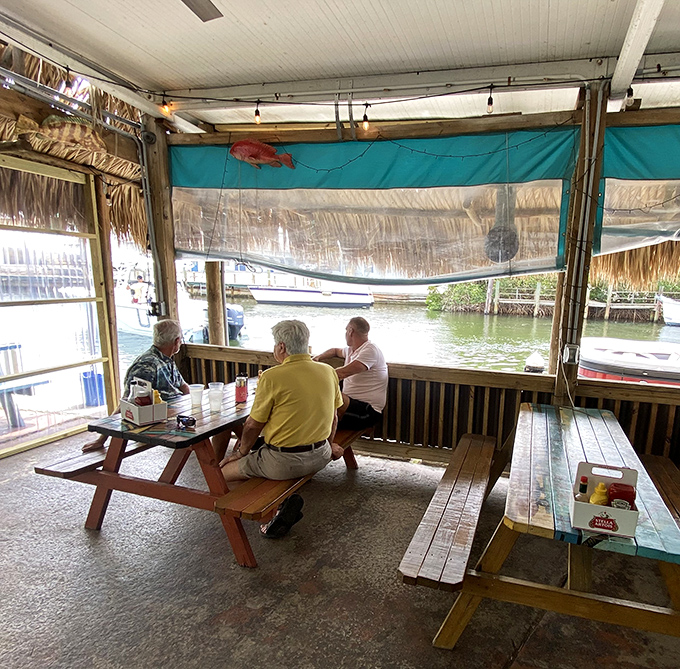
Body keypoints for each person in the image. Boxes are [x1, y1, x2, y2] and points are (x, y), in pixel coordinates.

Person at [220, 319, 342, 538]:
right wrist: (329, 445)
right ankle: (281, 503)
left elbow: (252, 425)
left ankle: (272, 513)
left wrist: (239, 453)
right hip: (321, 455)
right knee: (257, 464)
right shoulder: (328, 371)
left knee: (220, 475)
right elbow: (333, 418)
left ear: (282, 347)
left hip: (282, 462)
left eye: (275, 343)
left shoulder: (271, 377)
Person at [81, 319, 190, 452]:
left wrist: (194, 406)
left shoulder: (166, 360)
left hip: (177, 414)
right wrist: (101, 439)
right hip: (159, 420)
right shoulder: (146, 366)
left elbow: (184, 387)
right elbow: (128, 402)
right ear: (177, 341)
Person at [313, 316, 388, 431]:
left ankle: (328, 445)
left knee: (326, 401)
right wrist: (318, 357)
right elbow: (334, 351)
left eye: (346, 330)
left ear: (350, 331)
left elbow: (342, 373)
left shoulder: (370, 351)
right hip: (350, 406)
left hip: (368, 411)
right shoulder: (351, 349)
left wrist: (310, 377)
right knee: (320, 414)